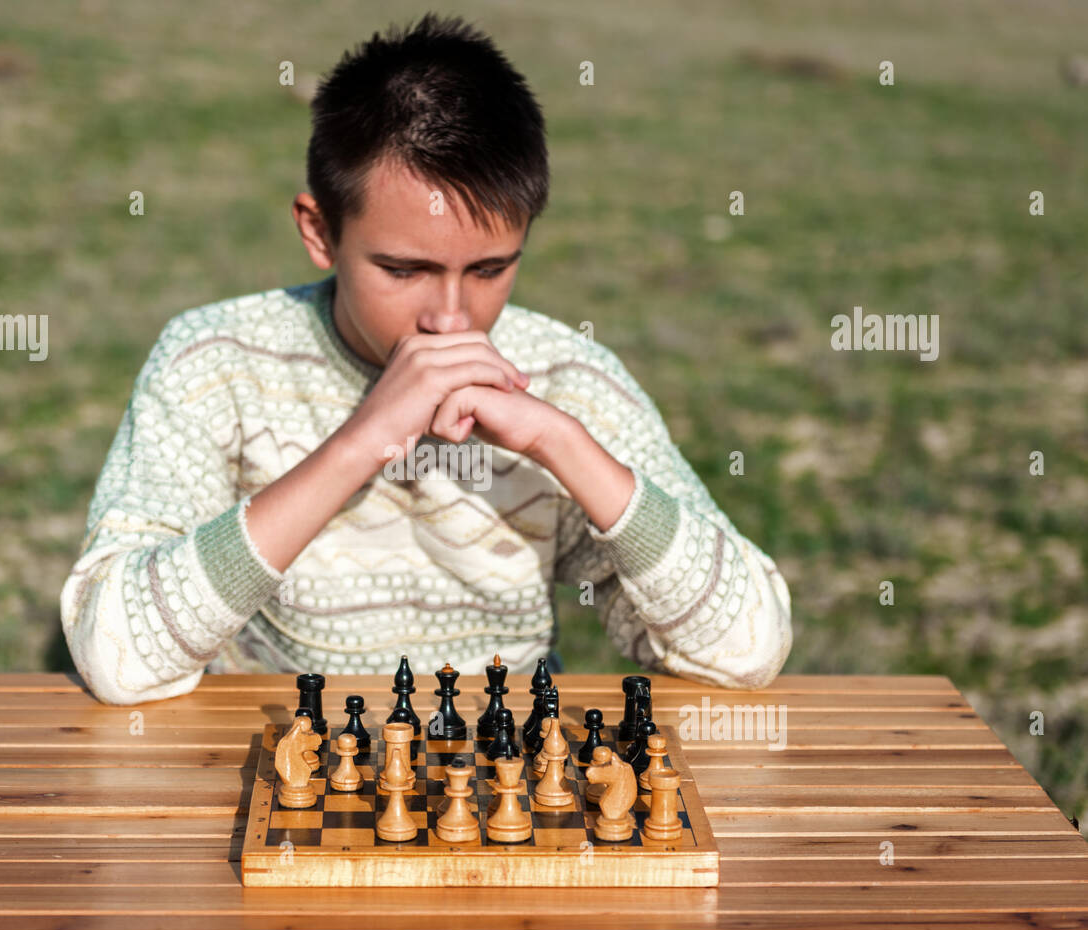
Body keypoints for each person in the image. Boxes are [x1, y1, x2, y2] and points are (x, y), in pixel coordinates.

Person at [59, 13, 792, 705]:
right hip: (276, 781)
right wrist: (359, 443)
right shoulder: (213, 362)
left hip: (497, 794)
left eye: (490, 270)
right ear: (319, 230)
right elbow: (115, 653)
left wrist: (559, 442)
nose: (450, 317)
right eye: (404, 270)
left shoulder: (568, 378)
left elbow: (748, 646)